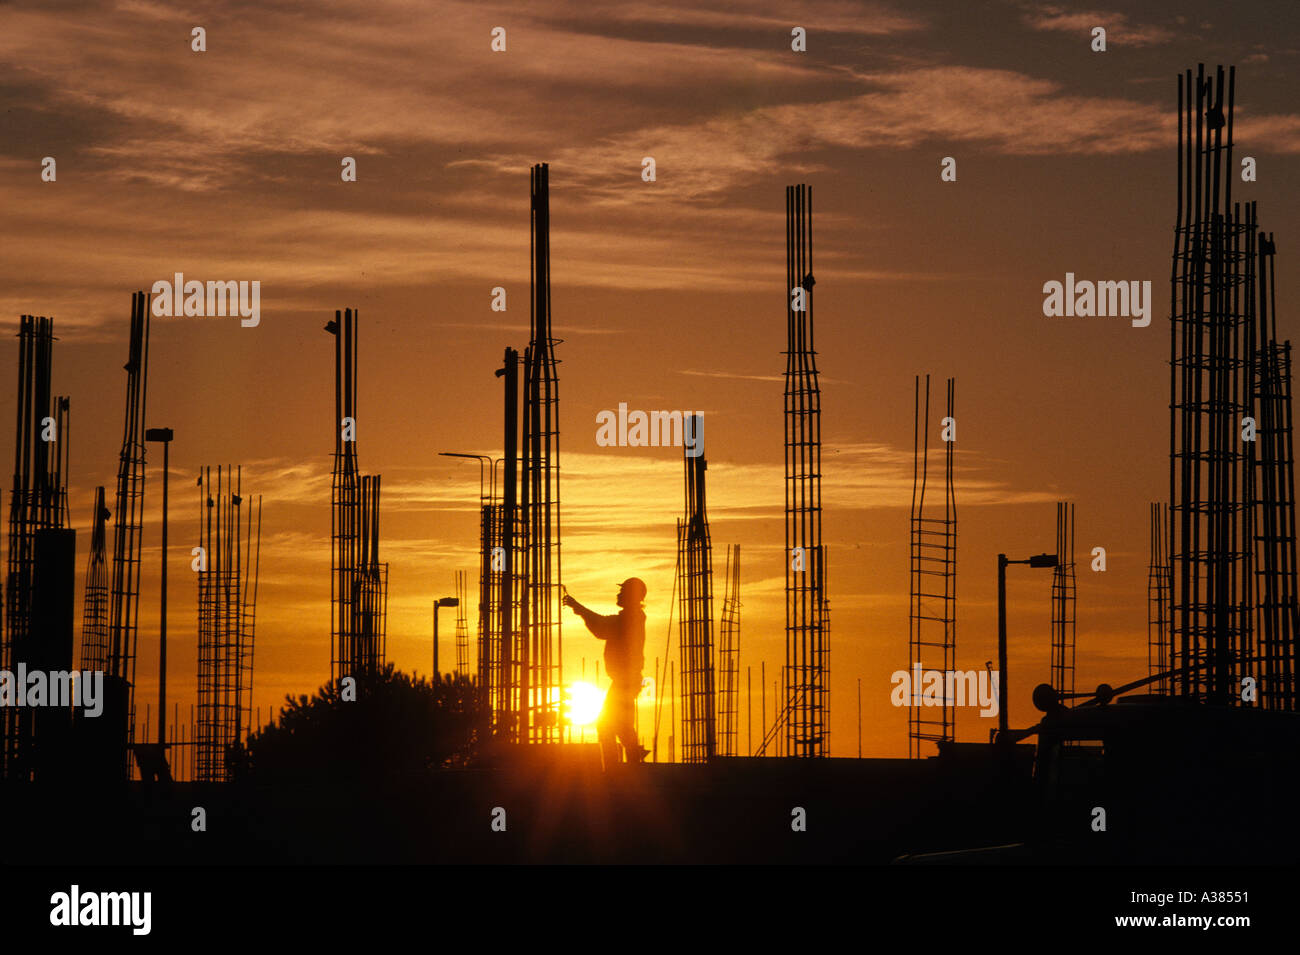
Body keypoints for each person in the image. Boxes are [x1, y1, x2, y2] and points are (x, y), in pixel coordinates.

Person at [563, 579, 650, 767]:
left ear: (631, 596)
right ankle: (633, 759)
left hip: (626, 681)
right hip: (626, 680)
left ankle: (617, 768)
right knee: (621, 725)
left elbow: (602, 627)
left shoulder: (631, 618)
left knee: (607, 725)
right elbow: (602, 626)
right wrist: (579, 609)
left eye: (623, 592)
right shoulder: (632, 617)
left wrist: (578, 607)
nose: (618, 595)